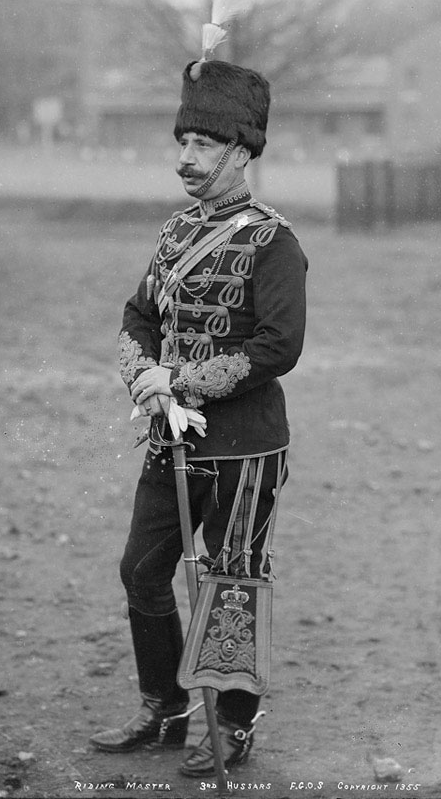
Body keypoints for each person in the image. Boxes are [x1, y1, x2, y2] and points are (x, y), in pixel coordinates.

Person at [89, 56, 308, 777]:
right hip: (169, 437)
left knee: (232, 578)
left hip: (246, 447)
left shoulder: (274, 242)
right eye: (181, 142)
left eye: (203, 145)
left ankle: (235, 726)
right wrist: (144, 379)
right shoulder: (175, 232)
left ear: (240, 152)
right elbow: (137, 314)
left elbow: (277, 347)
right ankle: (166, 708)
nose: (185, 159)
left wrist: (176, 376)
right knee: (140, 573)